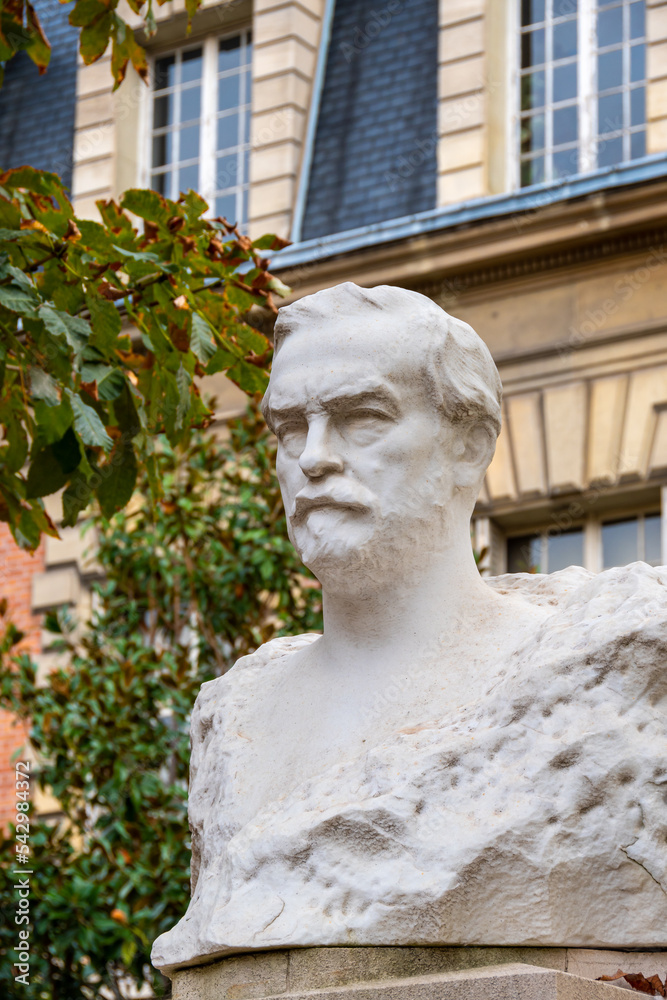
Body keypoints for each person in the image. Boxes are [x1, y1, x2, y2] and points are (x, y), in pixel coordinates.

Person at [153, 283, 667, 973]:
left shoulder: (601, 680)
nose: (312, 458)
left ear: (468, 444)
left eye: (361, 417)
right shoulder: (232, 718)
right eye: (287, 428)